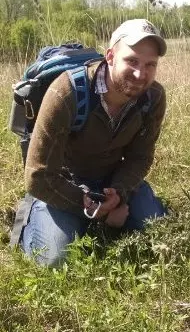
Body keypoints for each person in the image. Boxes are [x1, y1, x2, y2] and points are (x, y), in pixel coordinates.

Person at [19, 19, 167, 267]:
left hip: (111, 180)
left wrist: (118, 193)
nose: (141, 74)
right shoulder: (66, 93)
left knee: (159, 235)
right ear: (110, 57)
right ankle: (34, 216)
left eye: (150, 64)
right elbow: (38, 175)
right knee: (56, 259)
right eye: (131, 61)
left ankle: (102, 219)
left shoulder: (153, 97)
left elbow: (139, 158)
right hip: (64, 184)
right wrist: (90, 207)